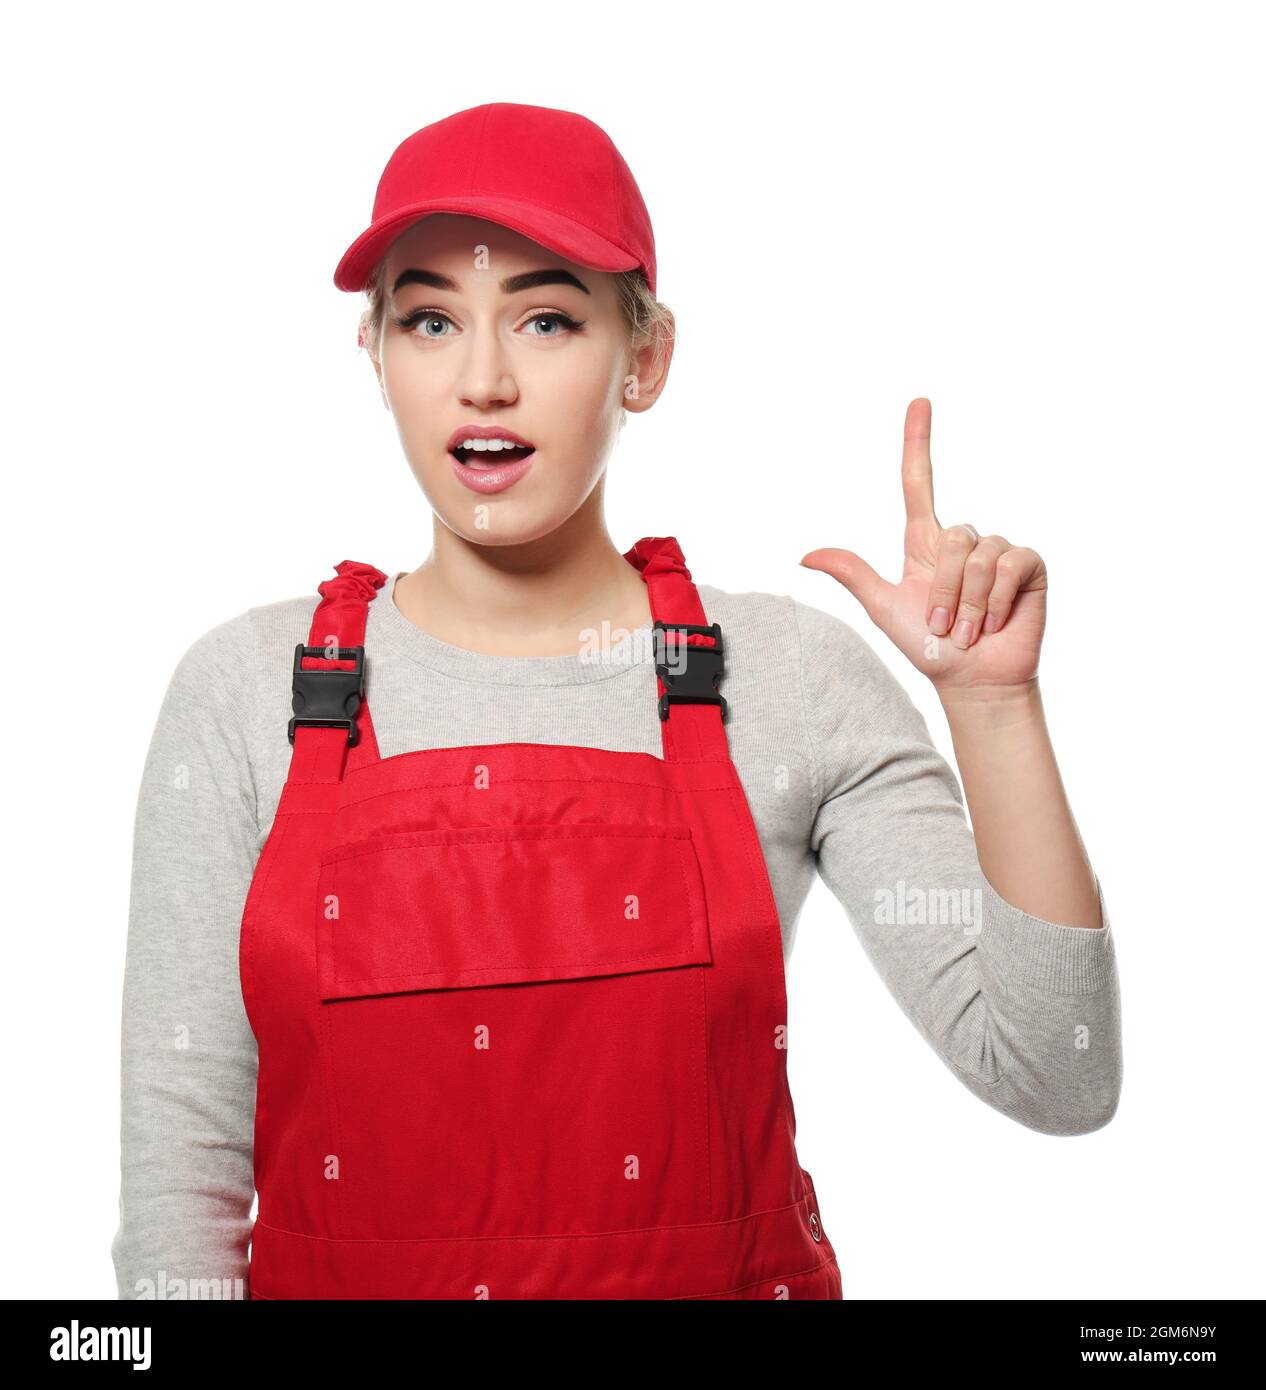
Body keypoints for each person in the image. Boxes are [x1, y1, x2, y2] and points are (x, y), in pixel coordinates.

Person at [111, 102, 1120, 1301]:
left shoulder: (786, 675)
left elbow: (1059, 1075)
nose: (483, 381)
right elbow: (182, 1209)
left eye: (546, 318)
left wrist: (993, 710)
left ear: (645, 358)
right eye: (430, 318)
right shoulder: (243, 697)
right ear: (375, 354)